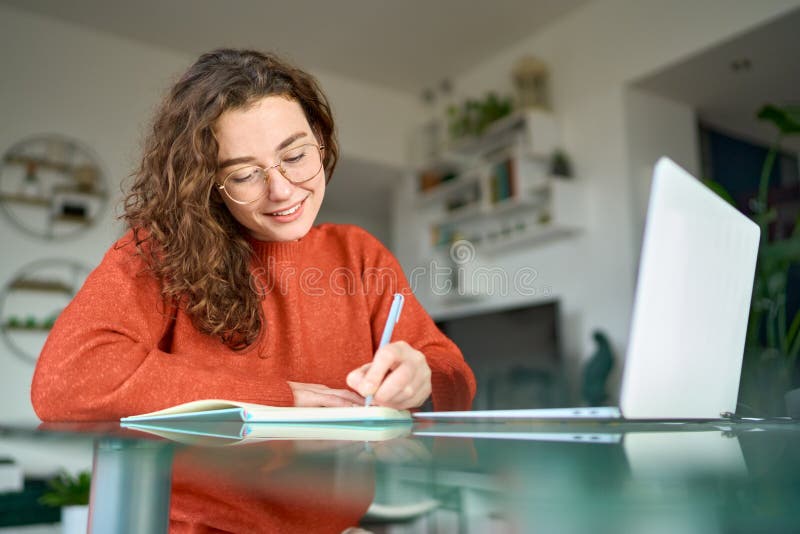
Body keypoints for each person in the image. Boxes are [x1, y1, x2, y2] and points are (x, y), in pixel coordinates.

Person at [30, 49, 476, 422]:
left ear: (320, 138)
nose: (282, 190)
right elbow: (66, 380)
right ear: (205, 182)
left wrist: (422, 375)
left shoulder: (358, 254)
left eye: (297, 155)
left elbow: (452, 371)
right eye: (244, 175)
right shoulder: (160, 249)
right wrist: (279, 398)